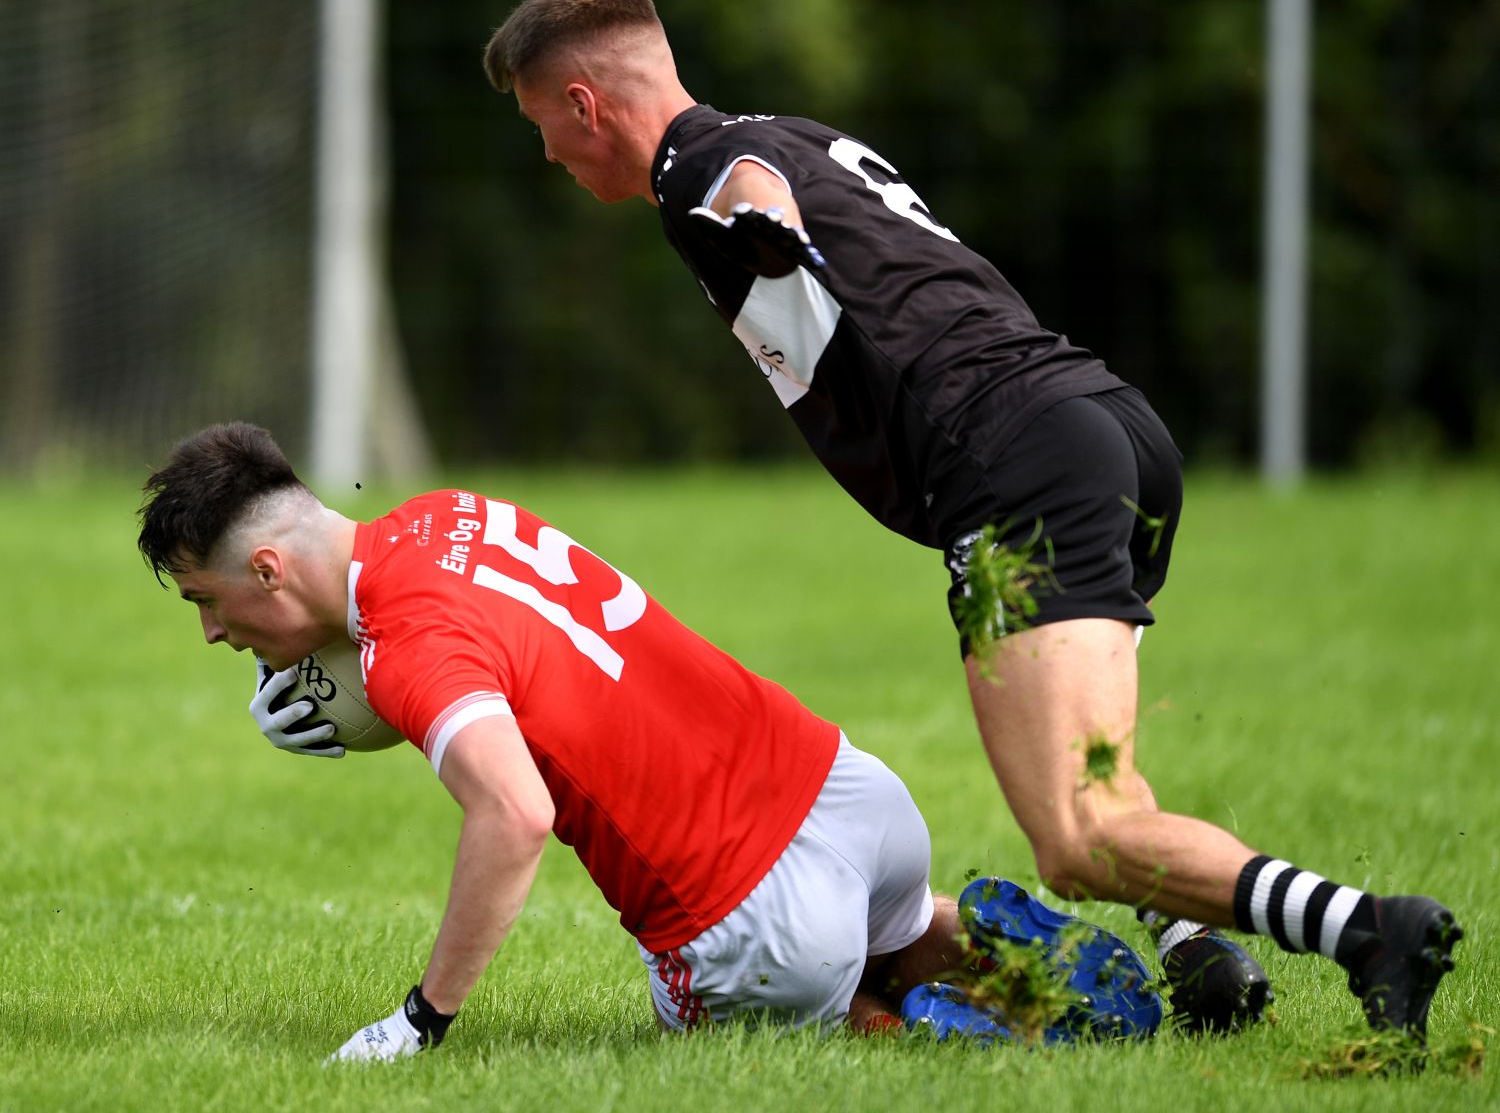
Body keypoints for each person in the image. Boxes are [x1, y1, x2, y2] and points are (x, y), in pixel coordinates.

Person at [480, 0, 1464, 1039]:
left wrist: (771, 234)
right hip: (1106, 427)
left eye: (543, 124)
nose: (548, 155)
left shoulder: (700, 166)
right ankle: (1194, 954)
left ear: (585, 103)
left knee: (1073, 839)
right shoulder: (796, 128)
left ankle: (1371, 932)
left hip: (1014, 466)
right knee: (1098, 770)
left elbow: (747, 188)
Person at [136, 422, 1162, 1060]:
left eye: (206, 600)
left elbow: (516, 812)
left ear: (269, 570)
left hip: (747, 920)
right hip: (849, 793)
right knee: (880, 933)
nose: (213, 632)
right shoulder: (446, 516)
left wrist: (423, 1018)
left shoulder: (409, 651)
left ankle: (946, 1041)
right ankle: (989, 952)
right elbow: (527, 661)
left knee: (762, 1021)